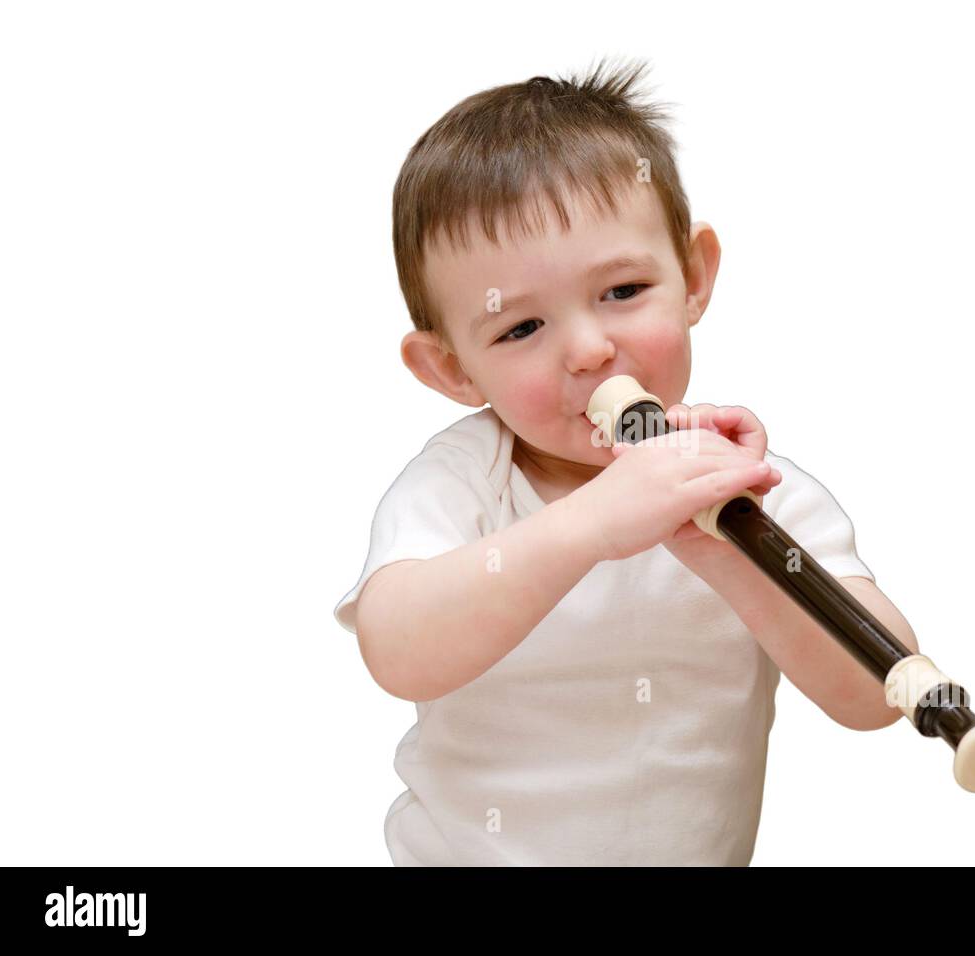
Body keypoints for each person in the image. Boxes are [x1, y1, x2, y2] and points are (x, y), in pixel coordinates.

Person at [334, 58, 920, 866]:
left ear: (694, 277)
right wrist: (592, 525)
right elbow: (397, 651)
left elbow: (877, 696)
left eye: (622, 291)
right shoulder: (466, 481)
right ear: (452, 369)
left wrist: (738, 560)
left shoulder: (751, 486)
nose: (587, 349)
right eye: (519, 329)